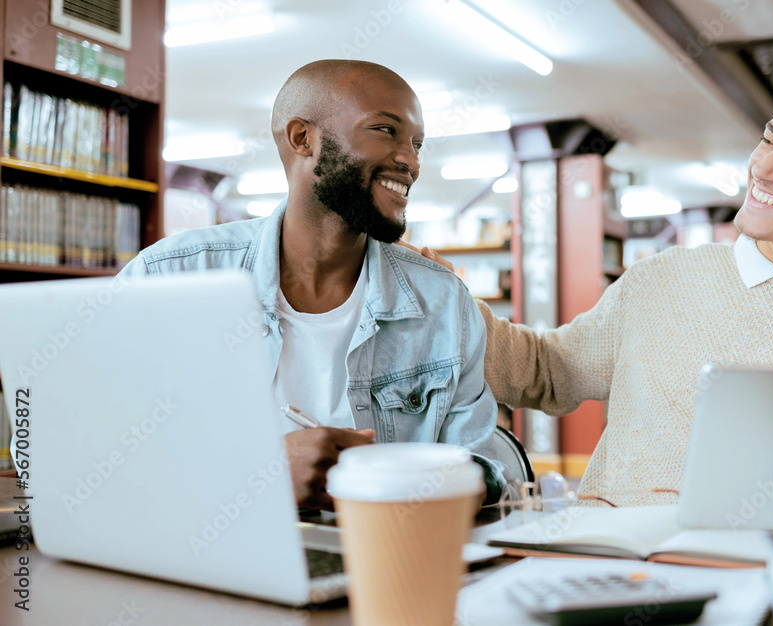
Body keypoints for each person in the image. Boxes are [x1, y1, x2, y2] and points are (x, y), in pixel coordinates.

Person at [421, 62, 773, 529]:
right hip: (616, 575)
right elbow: (545, 372)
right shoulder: (661, 280)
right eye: (770, 139)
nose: (763, 167)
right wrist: (448, 305)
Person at [120, 60, 504, 510]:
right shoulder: (167, 279)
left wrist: (387, 479)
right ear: (303, 138)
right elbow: (84, 448)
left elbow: (481, 470)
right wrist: (256, 473)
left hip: (380, 563)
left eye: (417, 144)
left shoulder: (442, 302)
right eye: (385, 130)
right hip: (195, 563)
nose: (411, 161)